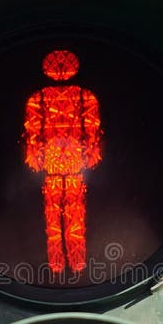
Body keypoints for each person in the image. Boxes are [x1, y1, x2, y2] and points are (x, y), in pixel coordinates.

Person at [24, 49, 102, 274]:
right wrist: (89, 161)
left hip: (59, 168)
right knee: (70, 216)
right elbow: (93, 134)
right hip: (69, 167)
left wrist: (38, 163)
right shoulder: (85, 96)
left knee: (61, 217)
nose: (60, 68)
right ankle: (70, 265)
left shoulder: (38, 98)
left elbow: (33, 137)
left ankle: (62, 265)